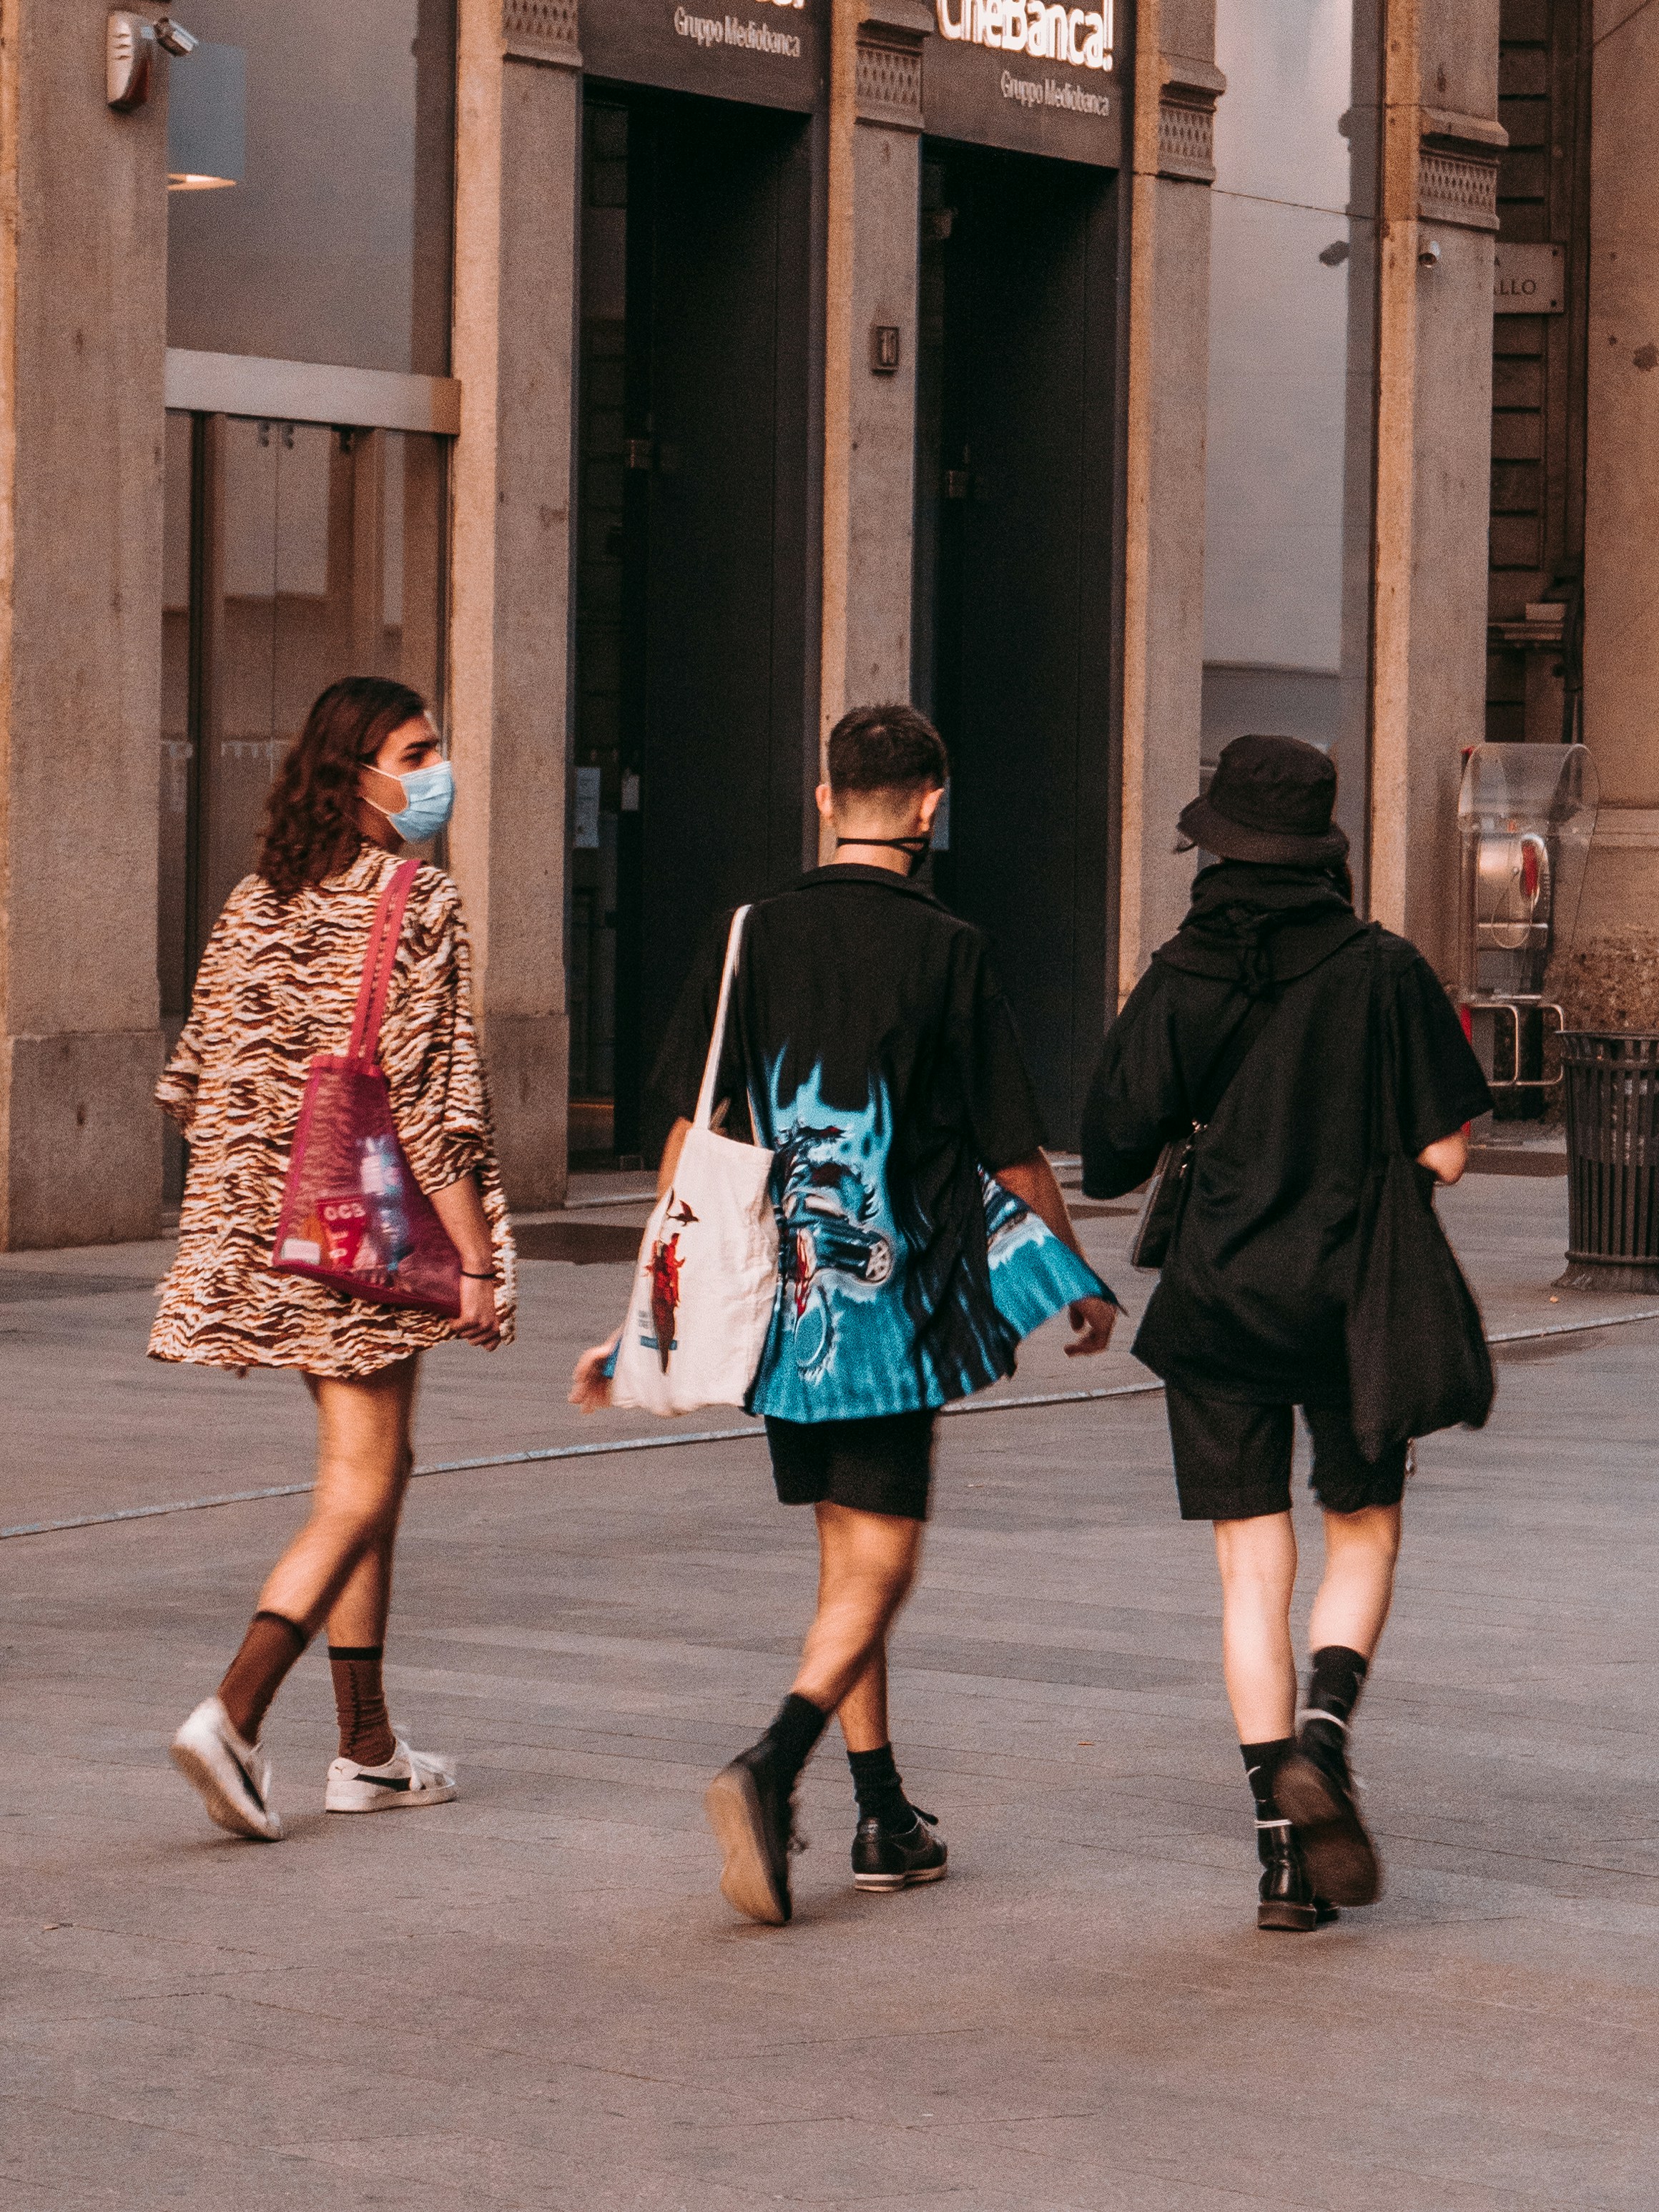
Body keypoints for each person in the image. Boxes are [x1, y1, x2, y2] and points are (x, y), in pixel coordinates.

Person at [571, 703, 1118, 1925]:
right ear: (932, 806)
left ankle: (882, 1810)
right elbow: (1012, 1145)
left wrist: (645, 1316)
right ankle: (774, 1762)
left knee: (842, 1555)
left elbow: (689, 1138)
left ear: (824, 800)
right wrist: (1075, 1276)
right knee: (884, 1562)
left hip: (778, 1309)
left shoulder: (749, 935)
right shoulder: (953, 949)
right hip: (893, 1317)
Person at [1080, 734, 1492, 1932]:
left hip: (1217, 1302)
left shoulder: (1180, 971)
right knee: (1362, 1529)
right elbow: (1449, 1149)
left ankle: (1280, 1859)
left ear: (1217, 841)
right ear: (1325, 847)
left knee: (1249, 1572)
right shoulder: (1386, 968)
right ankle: (1327, 1728)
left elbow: (1110, 1150)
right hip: (1354, 1298)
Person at [154, 676, 515, 1842]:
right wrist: (473, 1259)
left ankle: (366, 1747)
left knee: (376, 1463)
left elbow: (189, 1079)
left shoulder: (258, 899)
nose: (435, 768)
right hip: (368, 1223)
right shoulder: (420, 897)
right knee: (361, 1478)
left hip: (271, 1227)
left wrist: (262, 1174)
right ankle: (236, 1713)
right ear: (357, 773)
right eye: (416, 750)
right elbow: (429, 1094)